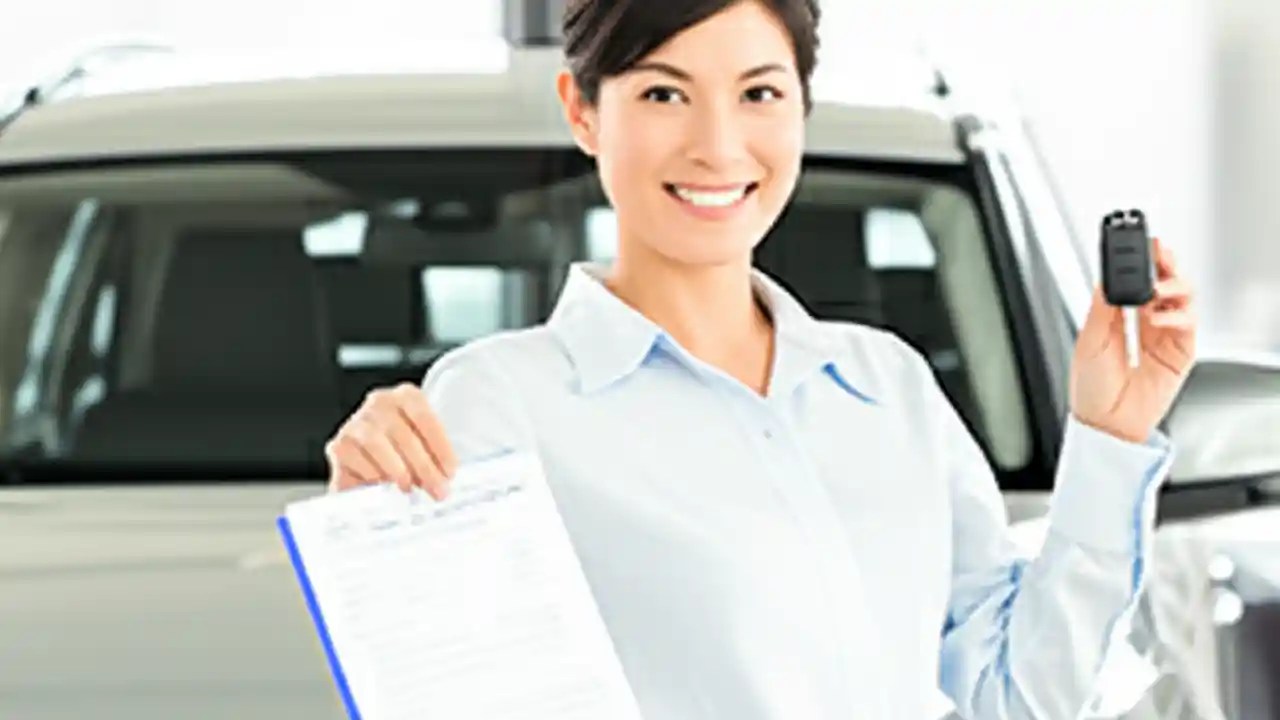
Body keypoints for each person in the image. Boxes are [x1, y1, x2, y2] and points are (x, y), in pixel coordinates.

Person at [324, 0, 1198, 717]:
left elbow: (1014, 699)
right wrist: (376, 538)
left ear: (801, 109)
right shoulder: (496, 404)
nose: (717, 146)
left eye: (760, 94)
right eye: (664, 95)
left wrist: (1110, 436)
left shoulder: (888, 387)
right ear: (583, 110)